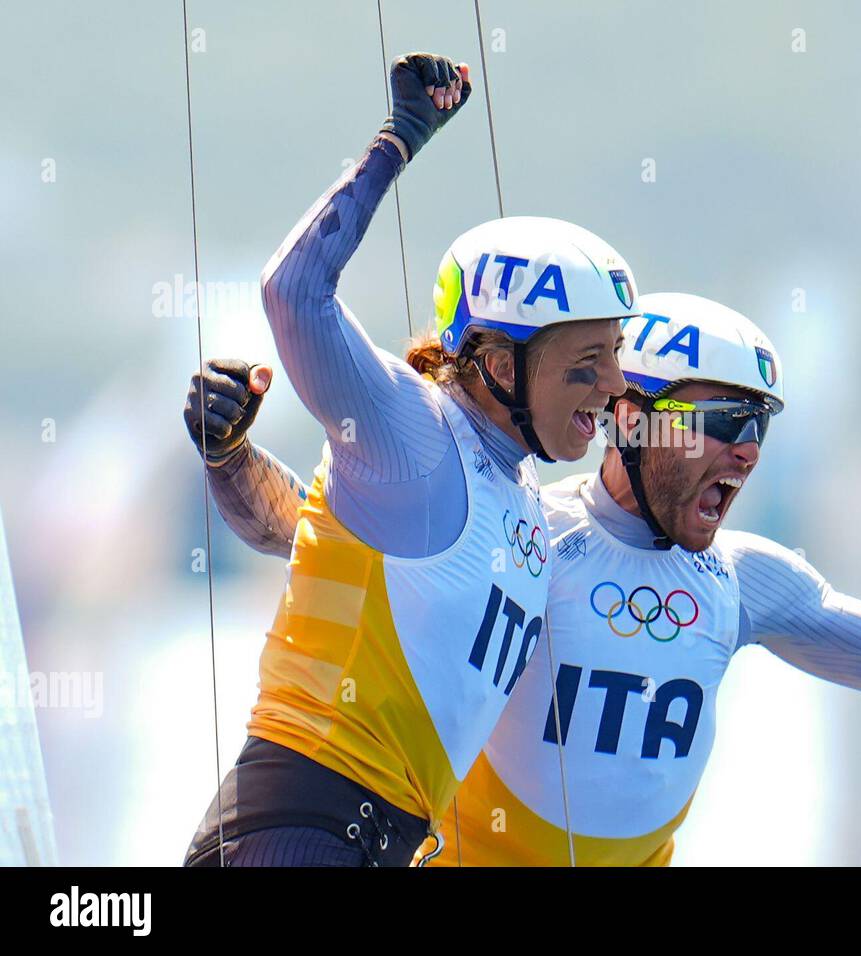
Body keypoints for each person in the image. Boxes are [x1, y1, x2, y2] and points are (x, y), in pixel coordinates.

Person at [186, 293, 861, 866]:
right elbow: (293, 530)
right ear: (629, 417)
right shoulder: (519, 530)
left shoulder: (749, 583)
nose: (745, 452)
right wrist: (230, 455)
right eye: (721, 421)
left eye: (758, 427)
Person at [183, 52, 640, 867]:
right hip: (294, 831)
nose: (613, 386)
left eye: (614, 356)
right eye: (586, 363)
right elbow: (292, 292)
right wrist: (398, 139)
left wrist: (230, 457)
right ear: (500, 366)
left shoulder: (517, 493)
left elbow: (305, 537)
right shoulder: (414, 428)